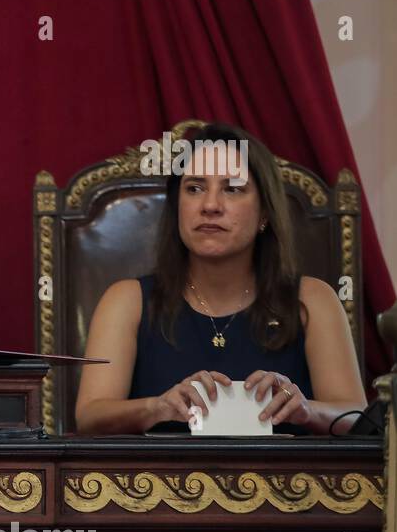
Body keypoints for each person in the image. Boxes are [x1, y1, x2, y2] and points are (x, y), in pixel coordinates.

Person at [76, 122, 366, 435]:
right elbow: (90, 416)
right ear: (177, 207)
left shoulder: (311, 299)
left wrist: (307, 410)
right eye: (195, 188)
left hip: (286, 481)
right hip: (157, 481)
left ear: (265, 213)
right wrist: (156, 407)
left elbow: (357, 418)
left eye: (233, 188)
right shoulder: (127, 300)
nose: (210, 205)